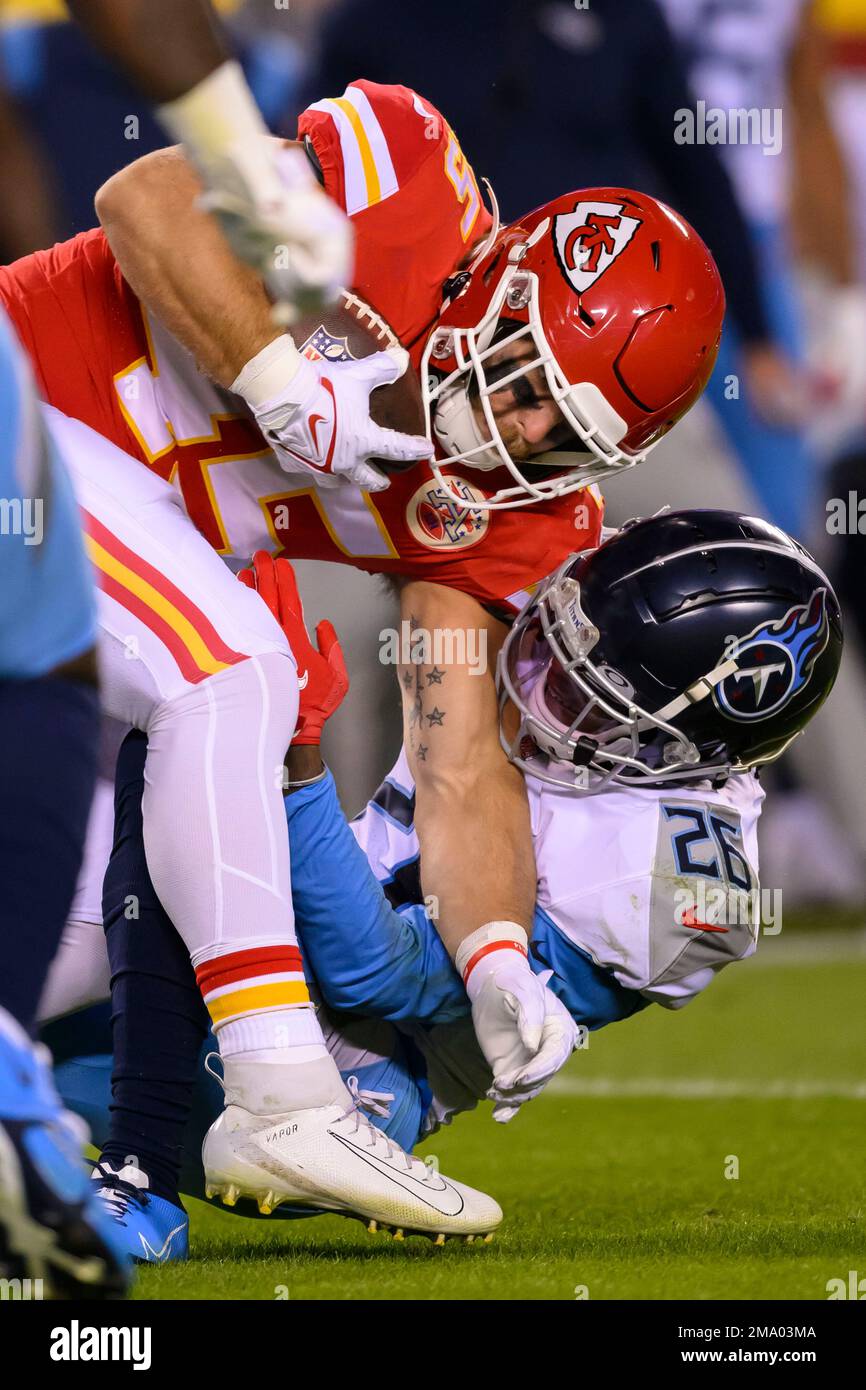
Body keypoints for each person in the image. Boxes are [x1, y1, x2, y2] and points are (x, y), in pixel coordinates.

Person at [0, 76, 725, 1231]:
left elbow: (456, 758)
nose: (518, 430)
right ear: (501, 274)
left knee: (68, 931)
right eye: (528, 378)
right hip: (27, 413)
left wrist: (492, 955)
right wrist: (279, 377)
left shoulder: (516, 508)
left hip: (91, 594)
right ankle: (282, 1091)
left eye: (562, 432)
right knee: (235, 667)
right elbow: (148, 197)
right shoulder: (402, 186)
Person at [38, 510, 842, 1258]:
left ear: (691, 748)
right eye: (553, 651)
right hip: (263, 919)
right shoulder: (569, 591)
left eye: (588, 698)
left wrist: (298, 762)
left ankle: (140, 1178)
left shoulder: (670, 881)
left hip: (337, 1064)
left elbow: (378, 974)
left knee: (186, 734)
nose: (540, 691)